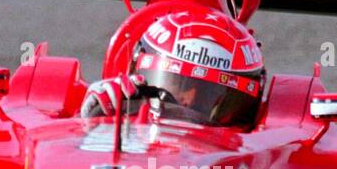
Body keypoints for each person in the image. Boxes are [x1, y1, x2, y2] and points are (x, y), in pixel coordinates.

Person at [81, 8, 265, 128]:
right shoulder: (112, 116)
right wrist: (88, 125)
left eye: (208, 93)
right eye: (182, 85)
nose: (189, 100)